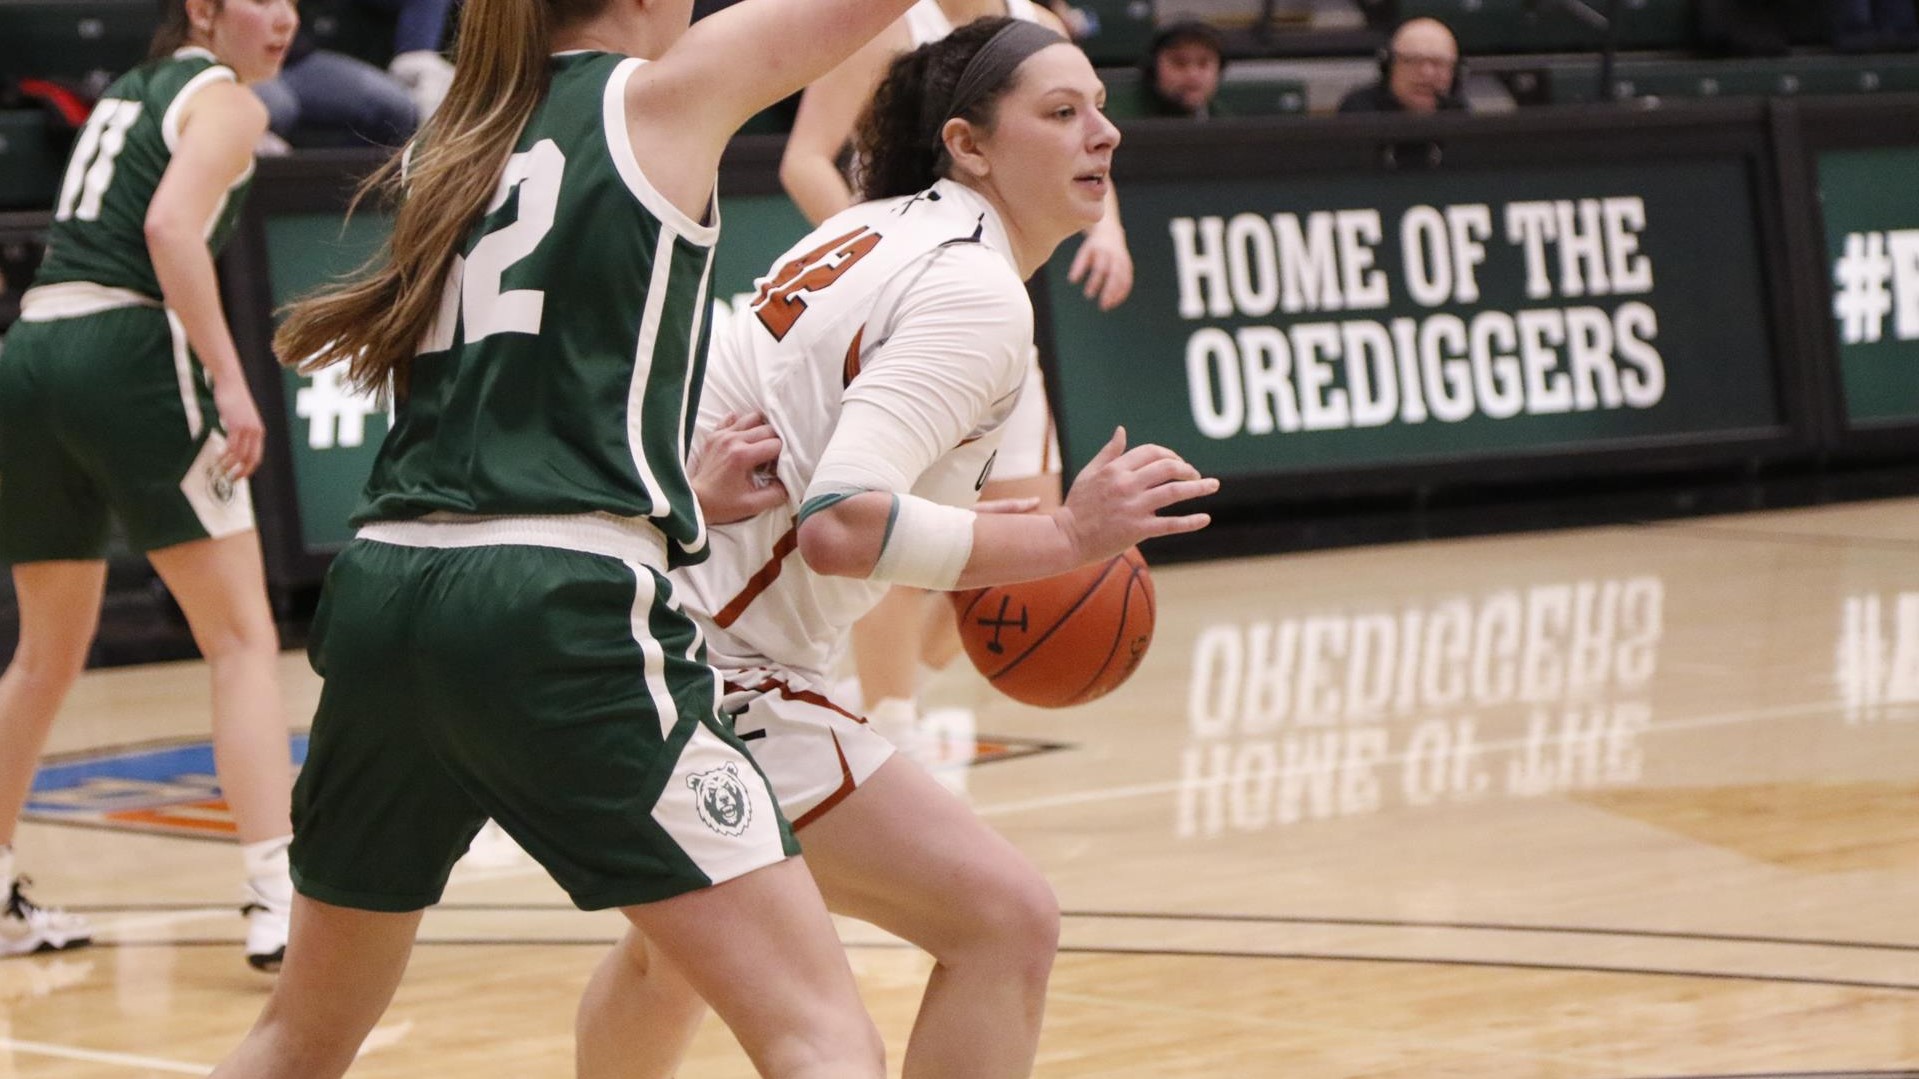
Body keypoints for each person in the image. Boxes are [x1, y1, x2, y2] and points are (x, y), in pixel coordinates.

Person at [205, 0, 930, 1070]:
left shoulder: (453, 138)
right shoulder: (663, 95)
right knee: (818, 1028)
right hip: (555, 609)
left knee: (299, 1033)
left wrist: (667, 482)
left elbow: (506, 403)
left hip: (388, 587)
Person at [577, 19, 1218, 1078]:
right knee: (1004, 920)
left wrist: (1023, 554)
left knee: (670, 955)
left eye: (1099, 106)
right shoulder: (972, 296)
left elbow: (900, 532)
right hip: (707, 668)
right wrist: (1068, 534)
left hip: (634, 612)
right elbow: (842, 524)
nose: (1102, 132)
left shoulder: (879, 229)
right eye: (1061, 114)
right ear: (968, 144)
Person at [0, 0, 299, 971]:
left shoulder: (131, 91)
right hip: (126, 347)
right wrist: (226, 372)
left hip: (32, 348)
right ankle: (277, 892)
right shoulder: (227, 101)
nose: (287, 15)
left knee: (43, 657)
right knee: (244, 635)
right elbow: (170, 227)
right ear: (204, 11)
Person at [780, 2, 1136, 733]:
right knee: (895, 533)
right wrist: (885, 256)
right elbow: (803, 158)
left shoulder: (1033, 22)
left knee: (1027, 553)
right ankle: (889, 720)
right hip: (910, 317)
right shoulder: (882, 21)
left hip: (994, 314)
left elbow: (1083, 136)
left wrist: (1111, 233)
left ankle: (869, 707)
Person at [250, 0, 455, 149]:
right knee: (276, 107)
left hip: (296, 57)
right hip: (241, 66)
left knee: (398, 107)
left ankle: (339, 194)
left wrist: (418, 55)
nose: (287, 20)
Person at [1337, 16, 1466, 114]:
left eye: (1438, 63)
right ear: (1389, 67)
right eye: (1413, 61)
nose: (1427, 72)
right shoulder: (1358, 112)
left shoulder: (1459, 114)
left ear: (1454, 73)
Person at [1137, 18, 1225, 118]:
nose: (1193, 75)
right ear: (1153, 70)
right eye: (1179, 63)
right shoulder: (1120, 126)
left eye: (1203, 63)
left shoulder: (1228, 124)